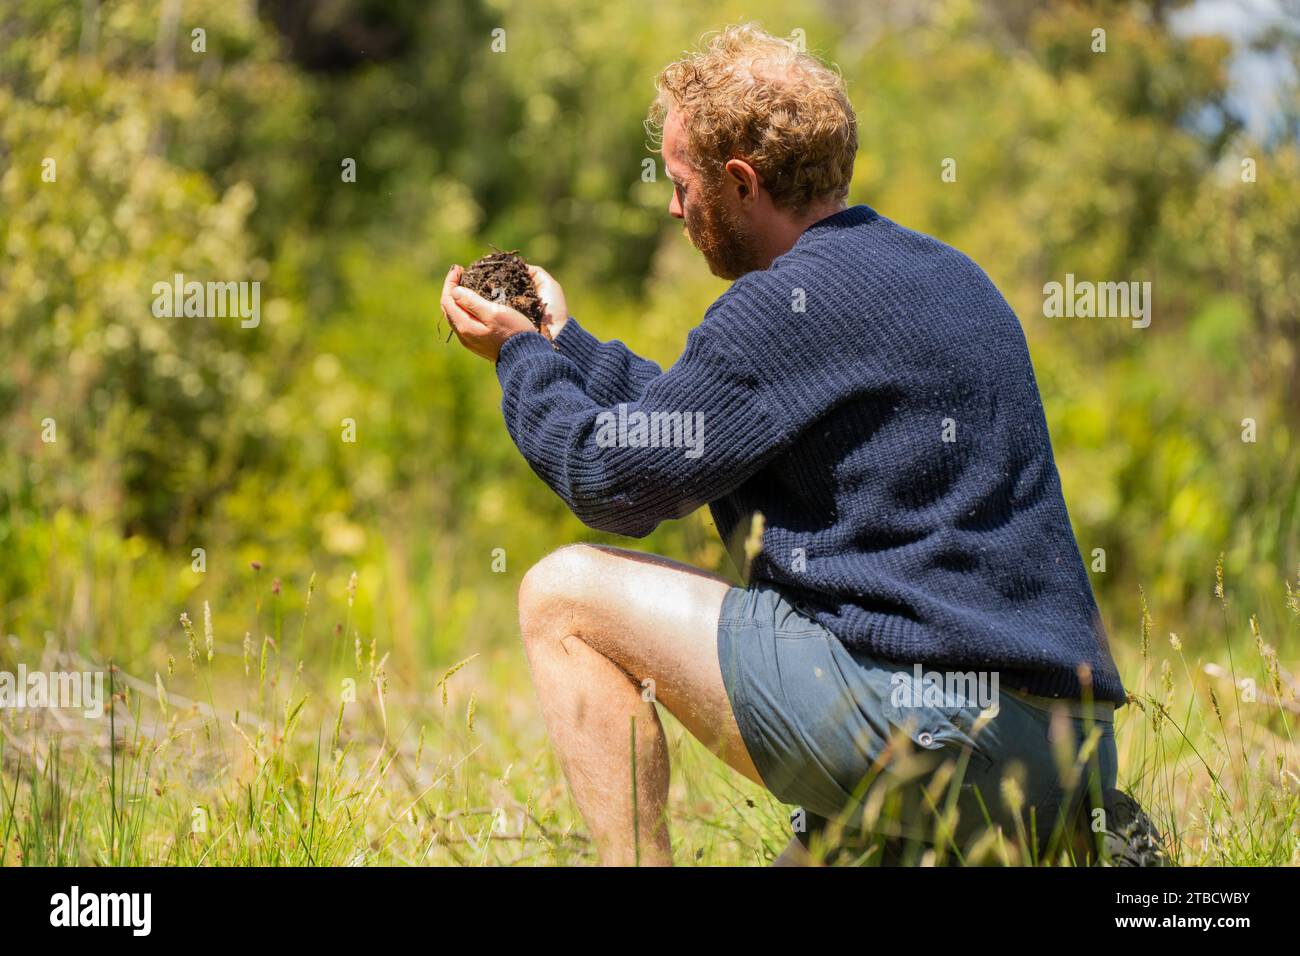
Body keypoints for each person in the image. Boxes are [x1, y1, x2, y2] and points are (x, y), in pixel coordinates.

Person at [439, 22, 1162, 866]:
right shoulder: (947, 276)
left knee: (563, 596)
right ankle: (1070, 839)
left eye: (682, 184)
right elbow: (702, 421)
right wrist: (562, 341)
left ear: (740, 182)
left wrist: (521, 359)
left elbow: (611, 479)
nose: (674, 208)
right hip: (1066, 747)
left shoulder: (781, 311)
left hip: (928, 726)